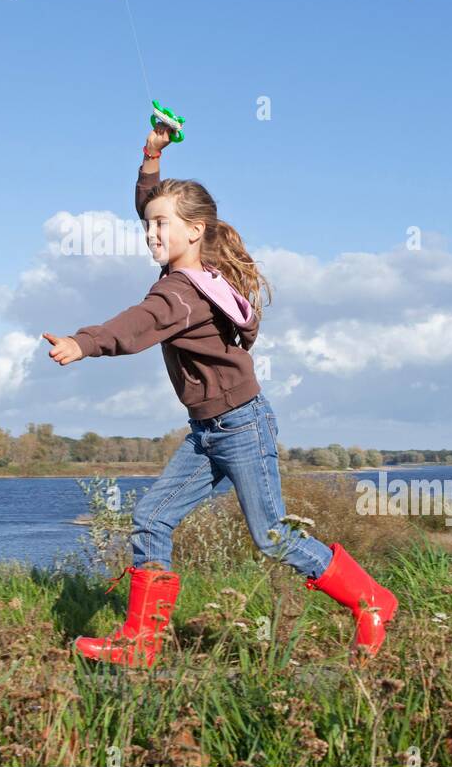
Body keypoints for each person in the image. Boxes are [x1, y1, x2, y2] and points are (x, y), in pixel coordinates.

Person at [41, 123, 398, 667]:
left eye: (162, 225)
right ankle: (140, 644)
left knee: (273, 536)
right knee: (153, 518)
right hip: (210, 430)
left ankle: (373, 603)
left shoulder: (180, 295)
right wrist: (150, 159)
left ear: (194, 230)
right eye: (149, 224)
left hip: (241, 427)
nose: (150, 232)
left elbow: (136, 326)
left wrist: (82, 343)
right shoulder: (195, 273)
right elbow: (150, 205)